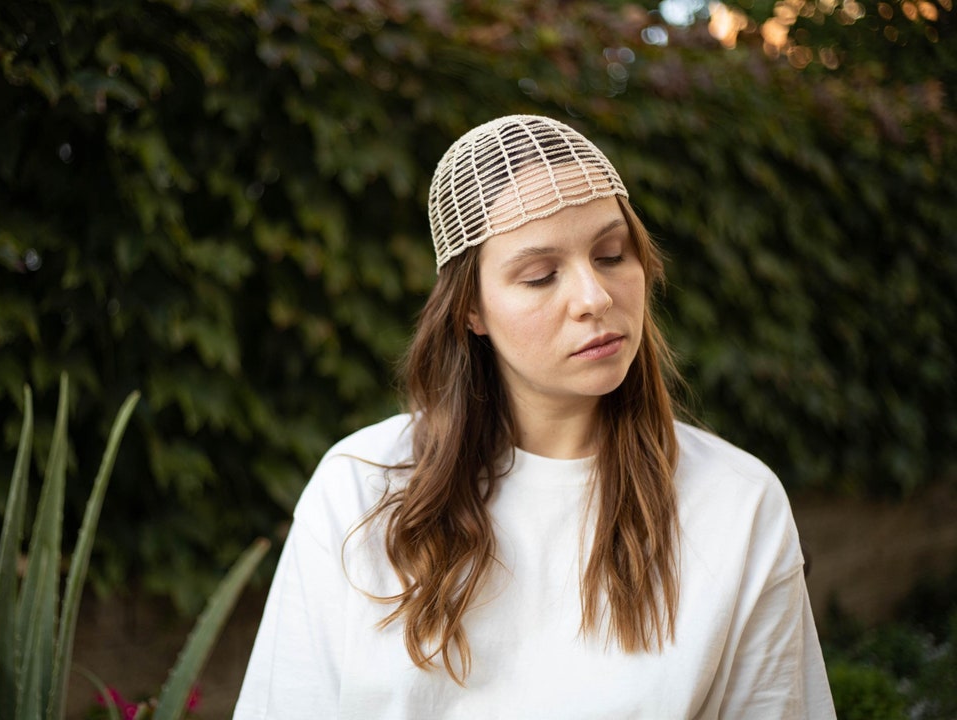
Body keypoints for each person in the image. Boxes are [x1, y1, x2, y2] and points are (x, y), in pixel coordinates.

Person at [233, 115, 836, 719]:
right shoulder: (358, 490)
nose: (595, 298)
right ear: (471, 310)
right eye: (540, 275)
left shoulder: (738, 504)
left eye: (611, 255)